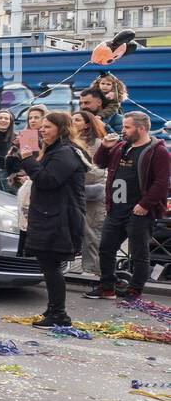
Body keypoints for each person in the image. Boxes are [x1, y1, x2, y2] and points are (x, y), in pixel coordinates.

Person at [88, 111, 171, 300]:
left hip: (139, 212)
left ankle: (135, 291)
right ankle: (107, 287)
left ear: (141, 128)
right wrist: (105, 147)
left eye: (127, 127)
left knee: (139, 253)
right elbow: (100, 163)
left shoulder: (158, 151)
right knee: (106, 248)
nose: (123, 131)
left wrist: (145, 204)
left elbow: (162, 183)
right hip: (116, 209)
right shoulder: (121, 147)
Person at [19, 111, 86, 326]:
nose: (42, 130)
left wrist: (28, 160)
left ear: (61, 128)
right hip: (51, 216)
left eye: (47, 127)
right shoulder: (56, 150)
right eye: (42, 127)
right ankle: (53, 310)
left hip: (60, 218)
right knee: (48, 264)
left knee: (51, 265)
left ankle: (58, 314)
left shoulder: (66, 152)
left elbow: (48, 180)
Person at [72, 112, 108, 277]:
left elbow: (98, 171)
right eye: (71, 120)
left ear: (87, 124)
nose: (73, 122)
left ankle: (92, 269)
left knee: (91, 232)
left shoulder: (98, 144)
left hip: (93, 194)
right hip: (74, 193)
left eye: (77, 120)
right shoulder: (69, 142)